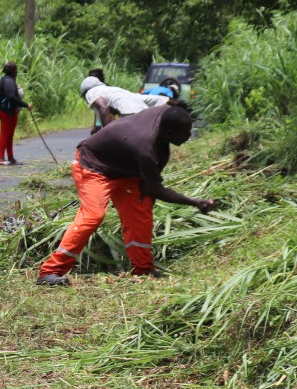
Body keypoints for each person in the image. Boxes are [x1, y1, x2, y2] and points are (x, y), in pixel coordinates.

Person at [37, 104, 215, 286]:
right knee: (93, 216)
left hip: (126, 170)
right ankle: (51, 271)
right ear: (169, 133)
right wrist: (194, 202)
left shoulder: (166, 114)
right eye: (184, 133)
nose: (188, 136)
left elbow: (150, 188)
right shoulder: (145, 146)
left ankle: (143, 268)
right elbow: (157, 190)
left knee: (140, 211)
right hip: (93, 166)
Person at [81, 74, 153, 132]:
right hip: (147, 115)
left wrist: (108, 134)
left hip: (130, 115)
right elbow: (97, 126)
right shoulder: (112, 90)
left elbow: (104, 109)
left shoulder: (91, 92)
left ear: (85, 92)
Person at [0, 61, 31, 165]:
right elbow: (11, 97)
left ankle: (11, 158)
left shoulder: (6, 80)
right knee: (5, 134)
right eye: (16, 69)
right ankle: (0, 159)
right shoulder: (8, 81)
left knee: (9, 135)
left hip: (9, 111)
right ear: (12, 70)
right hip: (6, 111)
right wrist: (25, 105)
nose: (17, 71)